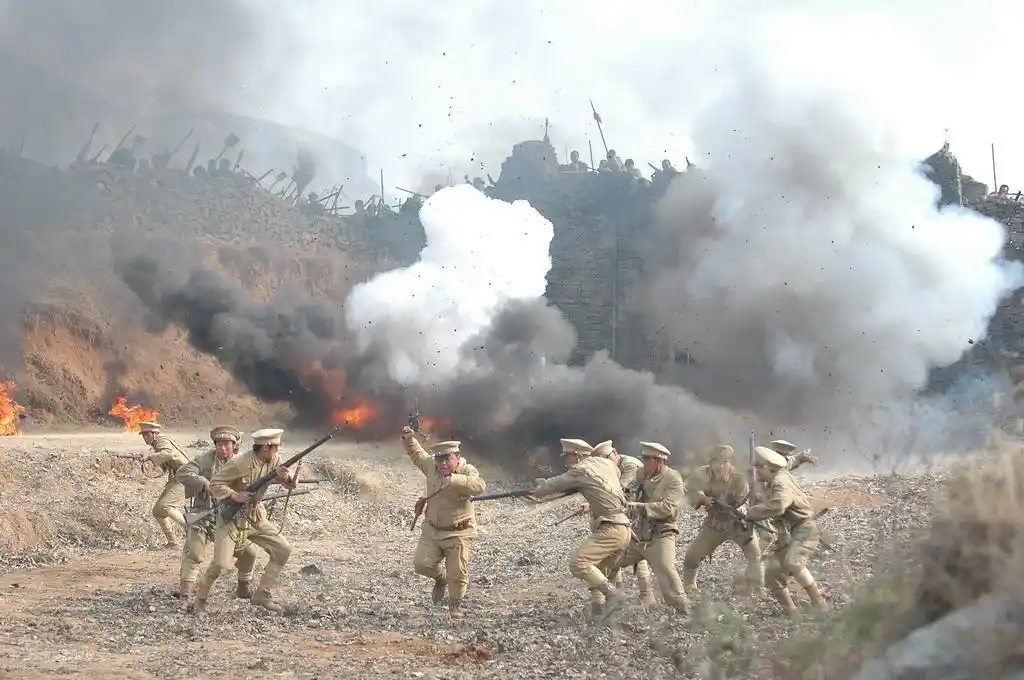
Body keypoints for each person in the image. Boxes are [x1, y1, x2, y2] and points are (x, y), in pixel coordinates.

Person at [193, 428, 296, 614]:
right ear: (266, 447)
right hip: (232, 519)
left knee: (283, 549)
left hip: (255, 516)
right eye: (275, 448)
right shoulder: (240, 463)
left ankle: (262, 595)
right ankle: (199, 601)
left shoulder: (275, 460)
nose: (277, 452)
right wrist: (234, 495)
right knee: (220, 564)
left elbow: (290, 482)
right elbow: (215, 484)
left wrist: (286, 478)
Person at [532, 439, 631, 619]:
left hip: (611, 528)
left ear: (578, 455)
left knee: (579, 563)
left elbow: (551, 486)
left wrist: (541, 487)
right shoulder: (607, 464)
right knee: (598, 572)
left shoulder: (580, 470)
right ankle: (599, 610)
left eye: (568, 456)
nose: (566, 461)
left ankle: (614, 595)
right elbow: (604, 482)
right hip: (624, 528)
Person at [401, 427, 486, 616]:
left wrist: (455, 480)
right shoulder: (432, 466)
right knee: (422, 565)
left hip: (459, 532)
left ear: (456, 458)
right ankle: (441, 579)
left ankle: (455, 605)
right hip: (432, 530)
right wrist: (408, 439)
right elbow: (417, 454)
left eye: (447, 459)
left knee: (457, 572)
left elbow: (479, 486)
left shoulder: (466, 469)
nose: (443, 464)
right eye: (439, 459)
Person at [174, 425, 258, 602]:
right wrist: (203, 481)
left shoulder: (243, 462)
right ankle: (185, 593)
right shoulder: (205, 460)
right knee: (194, 552)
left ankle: (243, 587)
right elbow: (182, 473)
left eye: (227, 444)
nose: (222, 448)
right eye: (219, 444)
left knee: (249, 552)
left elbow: (257, 479)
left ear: (234, 445)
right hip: (204, 514)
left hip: (231, 517)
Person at [745, 446, 827, 616]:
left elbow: (779, 505)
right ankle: (791, 613)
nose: (756, 471)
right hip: (787, 533)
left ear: (767, 468)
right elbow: (789, 462)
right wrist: (803, 457)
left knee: (794, 562)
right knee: (772, 575)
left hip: (804, 529)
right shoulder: (776, 473)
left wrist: (754, 512)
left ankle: (820, 604)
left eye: (758, 468)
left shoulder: (779, 482)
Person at [615, 441, 689, 614]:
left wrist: (640, 506)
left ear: (659, 461)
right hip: (640, 534)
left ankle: (682, 609)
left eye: (647, 459)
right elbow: (629, 489)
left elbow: (668, 508)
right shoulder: (643, 474)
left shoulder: (674, 480)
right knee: (611, 557)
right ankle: (612, 598)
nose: (644, 462)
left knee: (666, 569)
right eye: (643, 458)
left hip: (661, 534)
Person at [682, 444, 764, 596]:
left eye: (724, 462)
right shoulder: (701, 474)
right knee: (691, 557)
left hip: (738, 522)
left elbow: (739, 500)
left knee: (755, 555)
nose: (720, 466)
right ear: (710, 462)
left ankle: (757, 588)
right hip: (715, 523)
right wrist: (702, 498)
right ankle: (689, 588)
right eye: (716, 462)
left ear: (729, 462)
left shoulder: (739, 478)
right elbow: (689, 492)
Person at [592, 440, 651, 603]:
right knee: (616, 551)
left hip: (639, 511)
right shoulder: (608, 468)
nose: (606, 463)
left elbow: (618, 491)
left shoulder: (631, 466)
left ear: (615, 453)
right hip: (624, 511)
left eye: (607, 458)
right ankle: (616, 591)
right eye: (602, 460)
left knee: (637, 550)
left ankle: (646, 593)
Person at [138, 421, 189, 548]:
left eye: (147, 434)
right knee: (157, 511)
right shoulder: (157, 445)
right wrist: (149, 462)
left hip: (185, 476)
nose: (145, 437)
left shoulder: (161, 441)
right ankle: (172, 543)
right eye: (143, 435)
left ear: (154, 434)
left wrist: (150, 458)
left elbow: (168, 454)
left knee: (166, 506)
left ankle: (191, 530)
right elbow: (166, 464)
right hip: (177, 476)